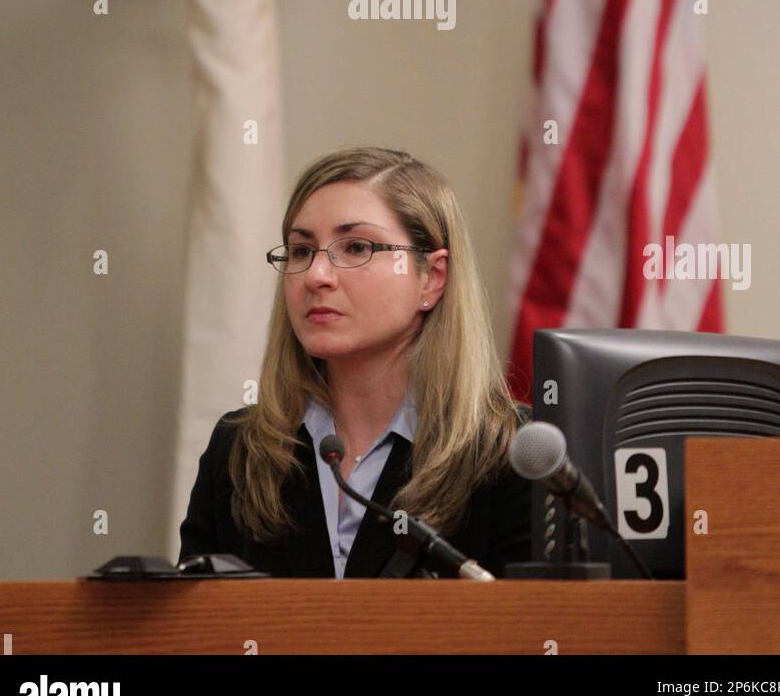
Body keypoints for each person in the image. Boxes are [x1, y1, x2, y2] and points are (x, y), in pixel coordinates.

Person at [178, 145, 533, 578]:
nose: (315, 276)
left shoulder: (514, 453)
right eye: (302, 251)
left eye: (356, 247)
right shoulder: (239, 451)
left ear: (432, 278)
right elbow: (197, 633)